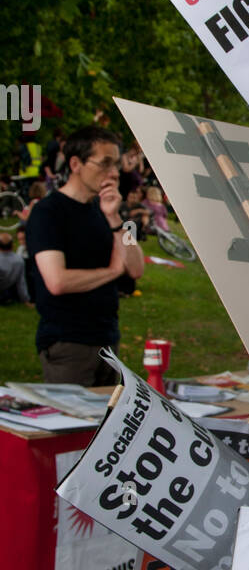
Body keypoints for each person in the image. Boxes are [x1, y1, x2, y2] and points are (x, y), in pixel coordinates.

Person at [25, 125, 144, 385]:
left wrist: (114, 216)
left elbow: (135, 269)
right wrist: (113, 271)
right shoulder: (48, 212)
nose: (114, 173)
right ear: (76, 163)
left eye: (116, 164)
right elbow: (57, 281)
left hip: (108, 340)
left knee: (111, 425)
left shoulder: (108, 210)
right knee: (76, 426)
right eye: (105, 163)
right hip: (68, 344)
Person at [0, 232, 31, 305]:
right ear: (12, 245)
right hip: (7, 292)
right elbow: (21, 283)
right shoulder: (19, 260)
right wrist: (26, 300)